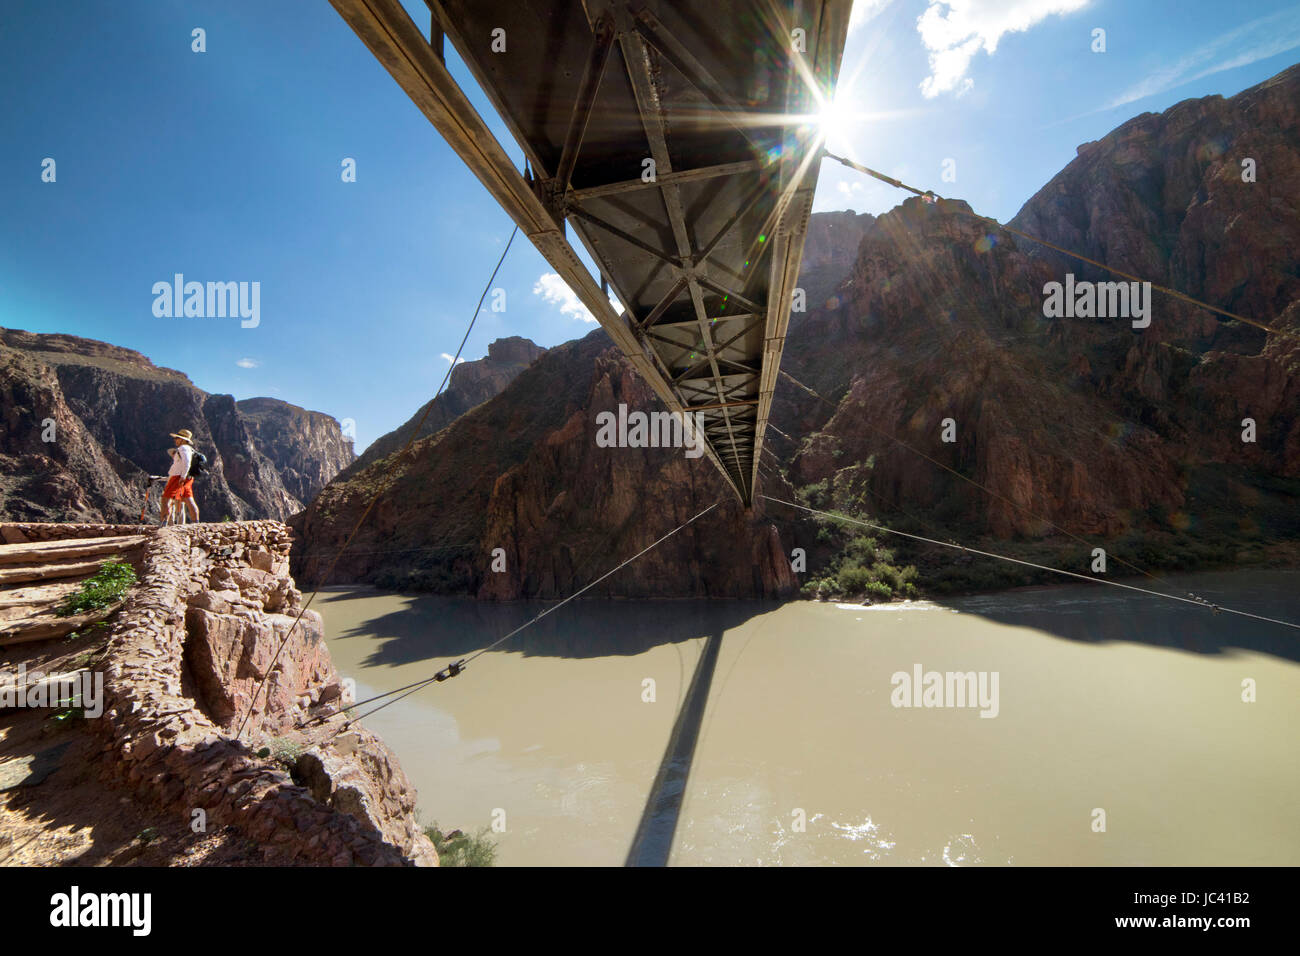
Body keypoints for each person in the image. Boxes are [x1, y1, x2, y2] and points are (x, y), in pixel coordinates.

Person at [160, 428, 200, 523]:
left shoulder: (183, 448)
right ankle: (196, 523)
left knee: (165, 499)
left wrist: (182, 476)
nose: (175, 440)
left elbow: (187, 462)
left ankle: (163, 523)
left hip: (178, 477)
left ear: (182, 439)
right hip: (186, 477)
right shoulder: (190, 449)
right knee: (188, 500)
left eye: (177, 438)